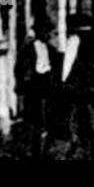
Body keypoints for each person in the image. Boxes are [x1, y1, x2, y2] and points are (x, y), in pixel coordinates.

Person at [62, 14, 94, 159]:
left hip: (78, 86)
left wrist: (64, 82)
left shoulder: (75, 40)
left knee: (76, 116)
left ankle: (77, 145)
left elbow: (67, 65)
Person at [15, 16, 60, 159]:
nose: (49, 35)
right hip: (33, 86)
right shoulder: (27, 50)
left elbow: (56, 70)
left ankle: (46, 149)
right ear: (40, 32)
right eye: (46, 32)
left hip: (48, 85)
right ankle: (34, 150)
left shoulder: (52, 51)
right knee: (33, 120)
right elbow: (19, 69)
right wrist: (22, 85)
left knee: (48, 118)